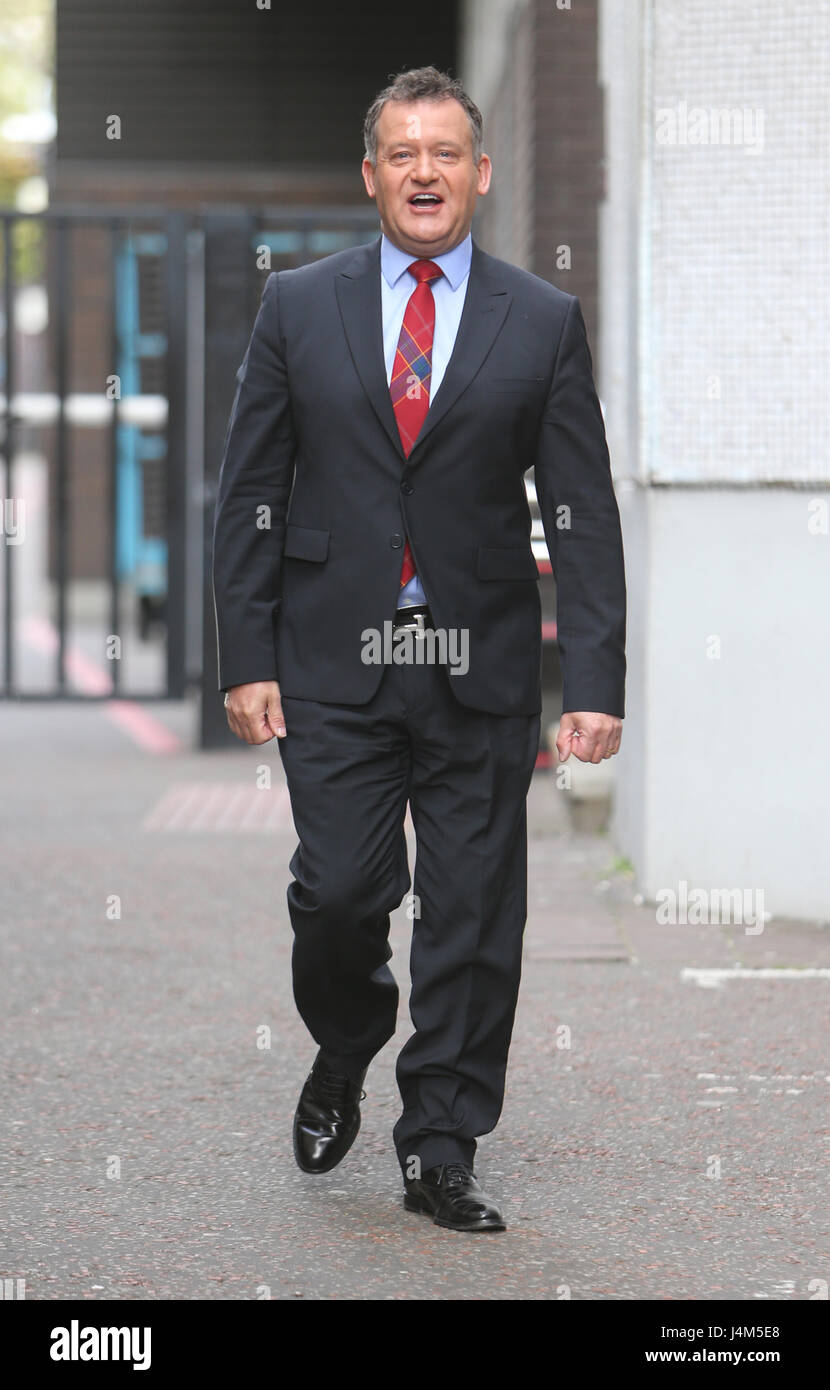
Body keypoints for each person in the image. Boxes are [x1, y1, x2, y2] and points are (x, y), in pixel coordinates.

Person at [212, 66, 626, 1233]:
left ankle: (439, 1143)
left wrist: (592, 678)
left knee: (474, 912)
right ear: (370, 176)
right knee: (341, 892)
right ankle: (347, 1040)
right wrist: (249, 653)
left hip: (478, 661)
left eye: (445, 152)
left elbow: (581, 508)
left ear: (480, 174)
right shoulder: (298, 305)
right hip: (332, 658)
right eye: (403, 153)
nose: (425, 172)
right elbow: (250, 490)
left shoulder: (537, 321)